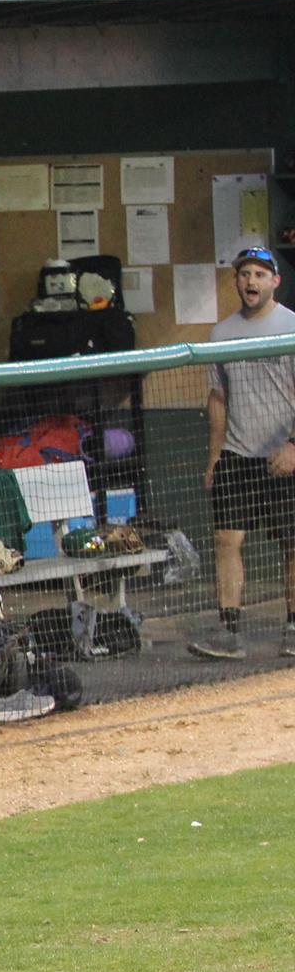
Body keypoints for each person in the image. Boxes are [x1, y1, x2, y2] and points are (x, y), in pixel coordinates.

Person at [192, 246, 295, 661]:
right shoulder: (221, 334)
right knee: (225, 540)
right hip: (237, 454)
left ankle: (293, 628)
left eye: (258, 274)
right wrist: (215, 455)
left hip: (284, 455)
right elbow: (218, 398)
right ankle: (229, 631)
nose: (250, 281)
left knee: (293, 543)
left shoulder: (292, 327)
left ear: (275, 281)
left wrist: (293, 446)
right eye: (244, 274)